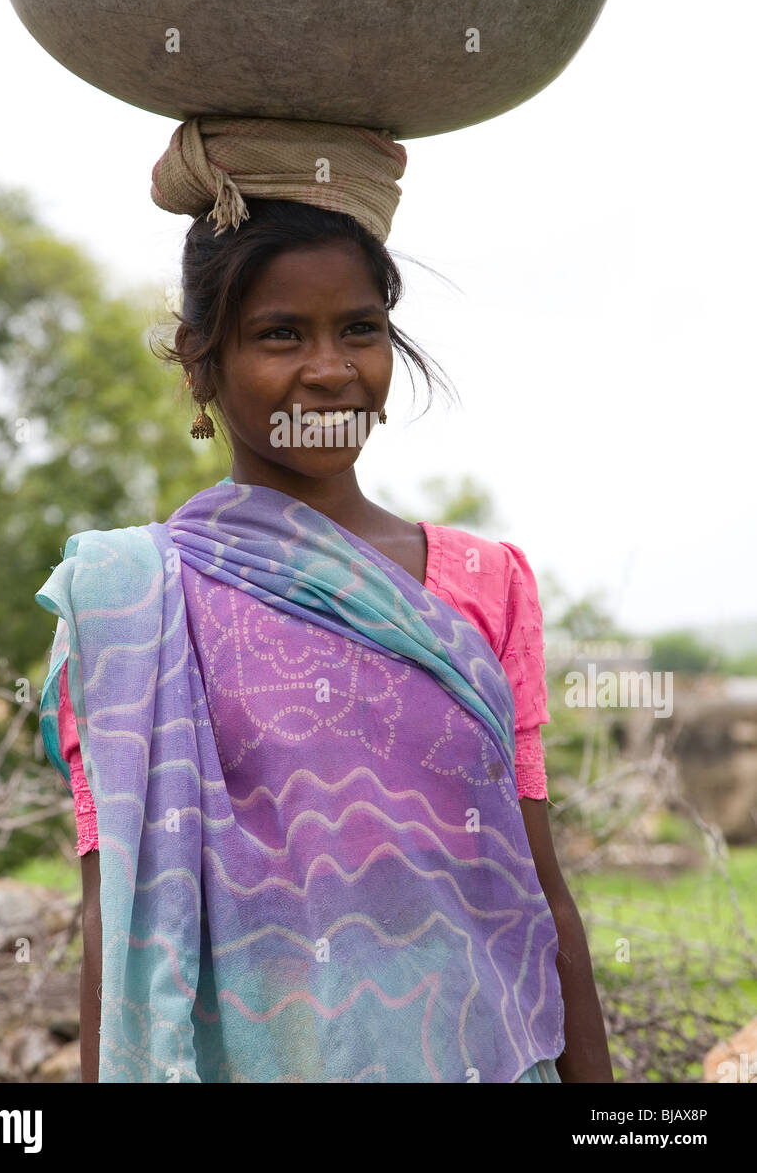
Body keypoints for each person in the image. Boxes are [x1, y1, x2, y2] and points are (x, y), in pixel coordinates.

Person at [36, 118, 612, 1083]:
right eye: (278, 334)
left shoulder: (483, 582)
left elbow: (542, 891)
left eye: (359, 329)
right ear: (198, 360)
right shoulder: (132, 603)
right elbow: (119, 921)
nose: (331, 369)